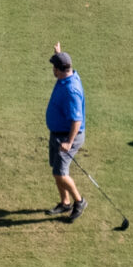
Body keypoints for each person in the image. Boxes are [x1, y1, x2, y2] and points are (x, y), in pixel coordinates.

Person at [46, 47, 86, 222]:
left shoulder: (71, 90)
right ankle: (65, 203)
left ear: (59, 70)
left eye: (54, 67)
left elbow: (76, 120)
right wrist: (58, 54)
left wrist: (69, 142)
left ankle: (79, 201)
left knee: (61, 173)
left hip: (67, 136)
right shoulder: (67, 75)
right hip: (57, 134)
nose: (52, 70)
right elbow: (63, 63)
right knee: (57, 171)